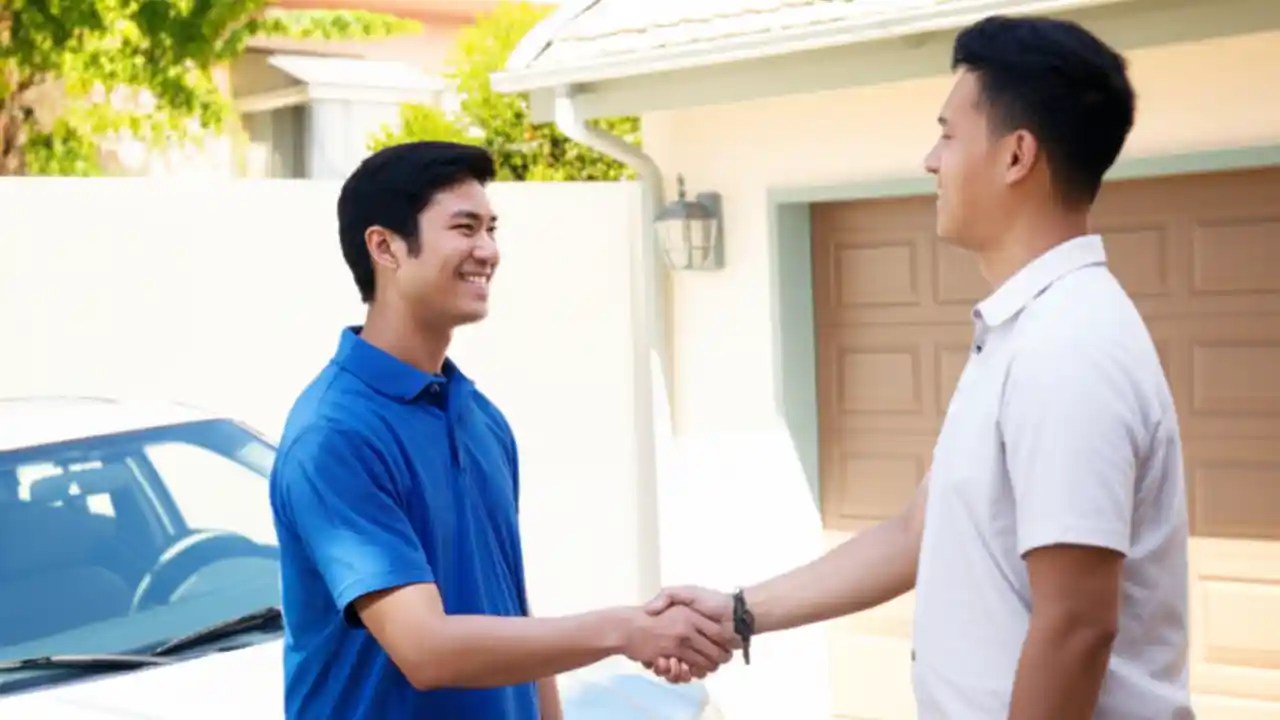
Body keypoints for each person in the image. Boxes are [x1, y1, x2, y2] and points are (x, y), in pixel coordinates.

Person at [644, 14, 1193, 720]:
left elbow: (1077, 626)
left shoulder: (1069, 347)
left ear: (1016, 155)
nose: (931, 160)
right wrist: (738, 613)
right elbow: (916, 533)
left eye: (948, 133)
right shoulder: (1025, 331)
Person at [268, 141, 734, 720]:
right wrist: (623, 629)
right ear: (384, 246)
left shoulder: (480, 417)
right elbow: (426, 650)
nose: (487, 250)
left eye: (491, 229)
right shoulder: (334, 435)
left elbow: (513, 610)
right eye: (464, 228)